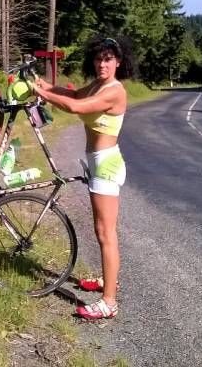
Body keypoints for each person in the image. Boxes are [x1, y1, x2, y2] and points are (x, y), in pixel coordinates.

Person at [28, 37, 129, 320]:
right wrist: (46, 86)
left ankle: (109, 301)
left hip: (106, 165)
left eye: (108, 59)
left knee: (105, 233)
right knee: (102, 231)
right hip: (98, 163)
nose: (102, 64)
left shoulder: (114, 90)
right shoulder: (98, 85)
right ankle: (107, 280)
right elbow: (73, 97)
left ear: (118, 62)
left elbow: (75, 108)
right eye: (99, 59)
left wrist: (44, 95)